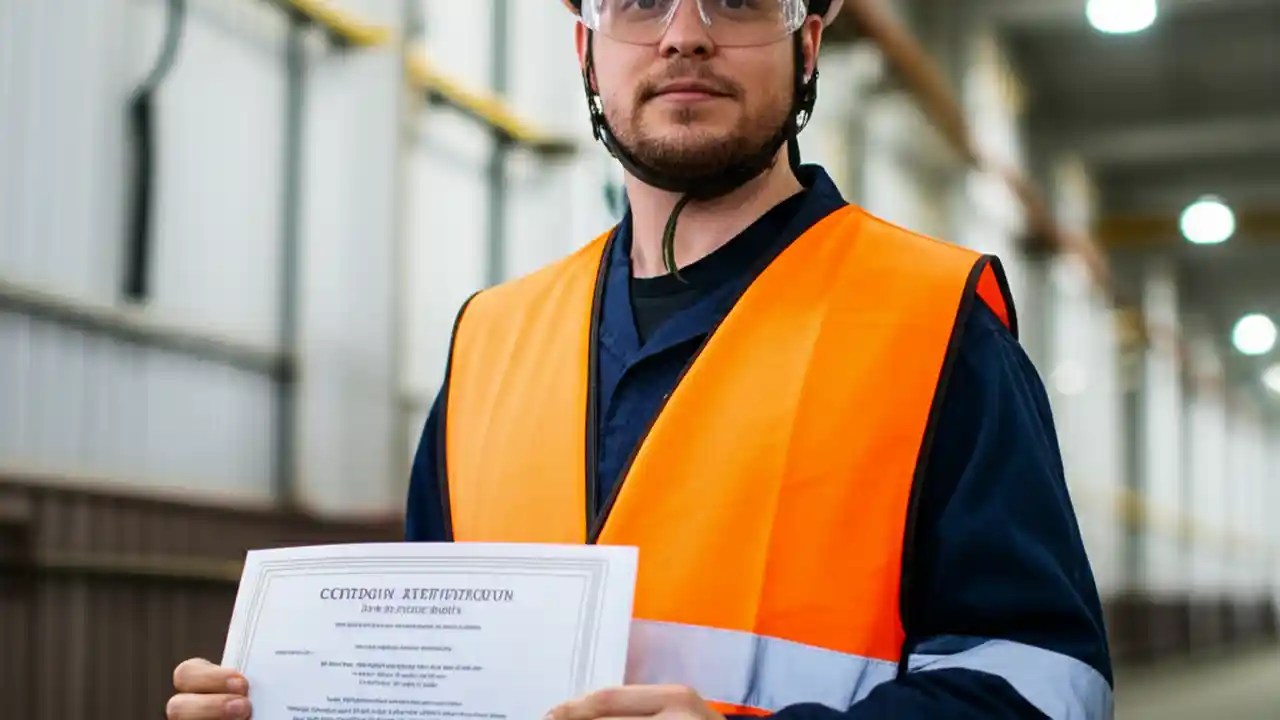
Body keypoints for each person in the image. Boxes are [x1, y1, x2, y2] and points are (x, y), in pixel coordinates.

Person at [167, 1, 1114, 719]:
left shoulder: (931, 324)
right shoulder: (495, 336)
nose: (684, 35)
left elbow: (1048, 680)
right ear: (586, 49)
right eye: (639, 0)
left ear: (809, 45)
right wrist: (293, 699)